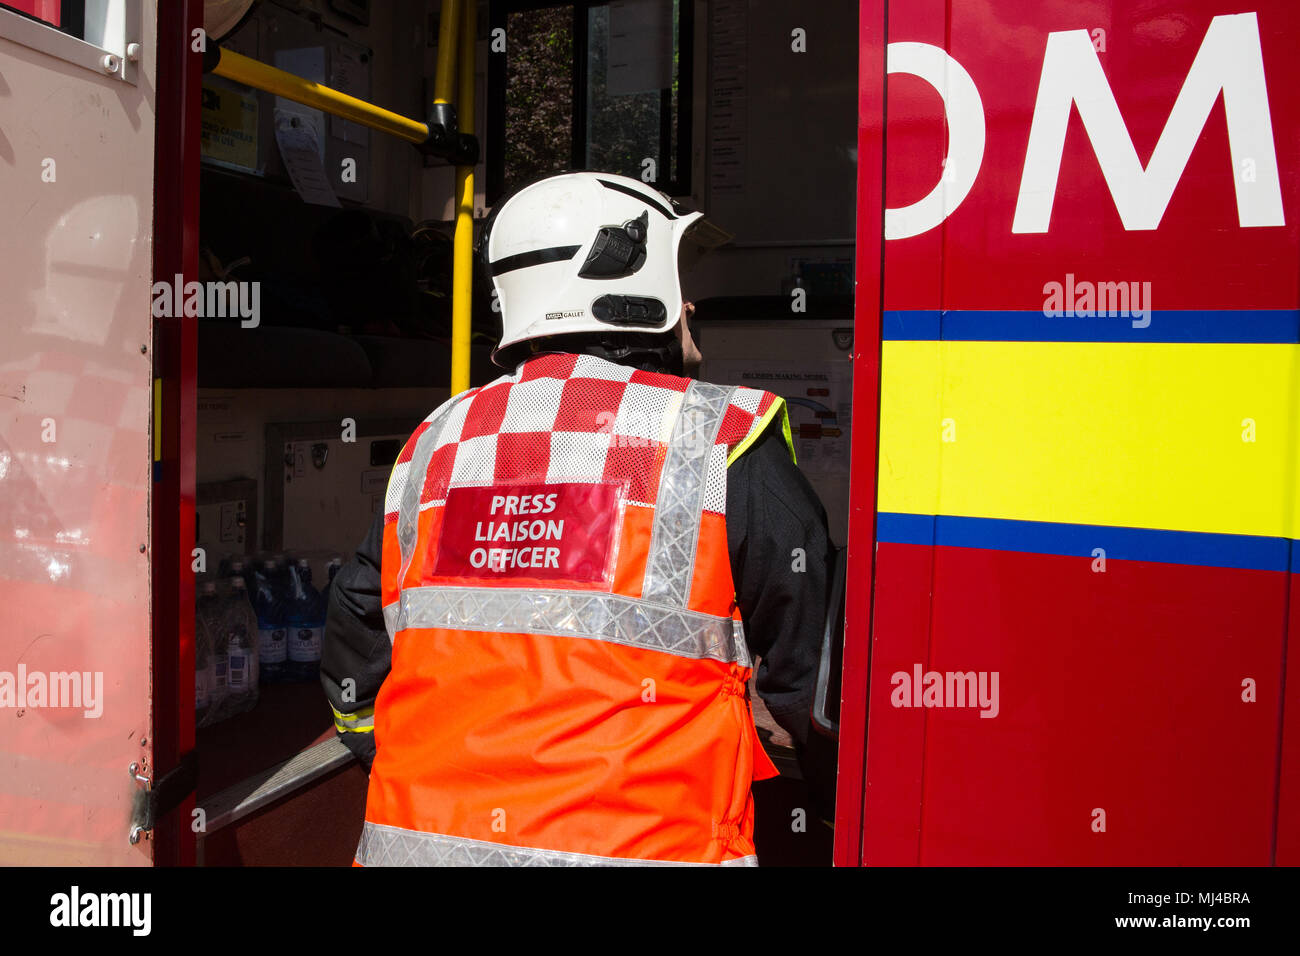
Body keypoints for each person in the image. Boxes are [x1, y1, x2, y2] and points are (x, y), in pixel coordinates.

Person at [322, 170, 836, 866]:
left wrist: (377, 743)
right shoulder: (721, 438)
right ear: (630, 287)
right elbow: (815, 680)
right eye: (675, 282)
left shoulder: (436, 443)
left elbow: (357, 614)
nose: (689, 305)